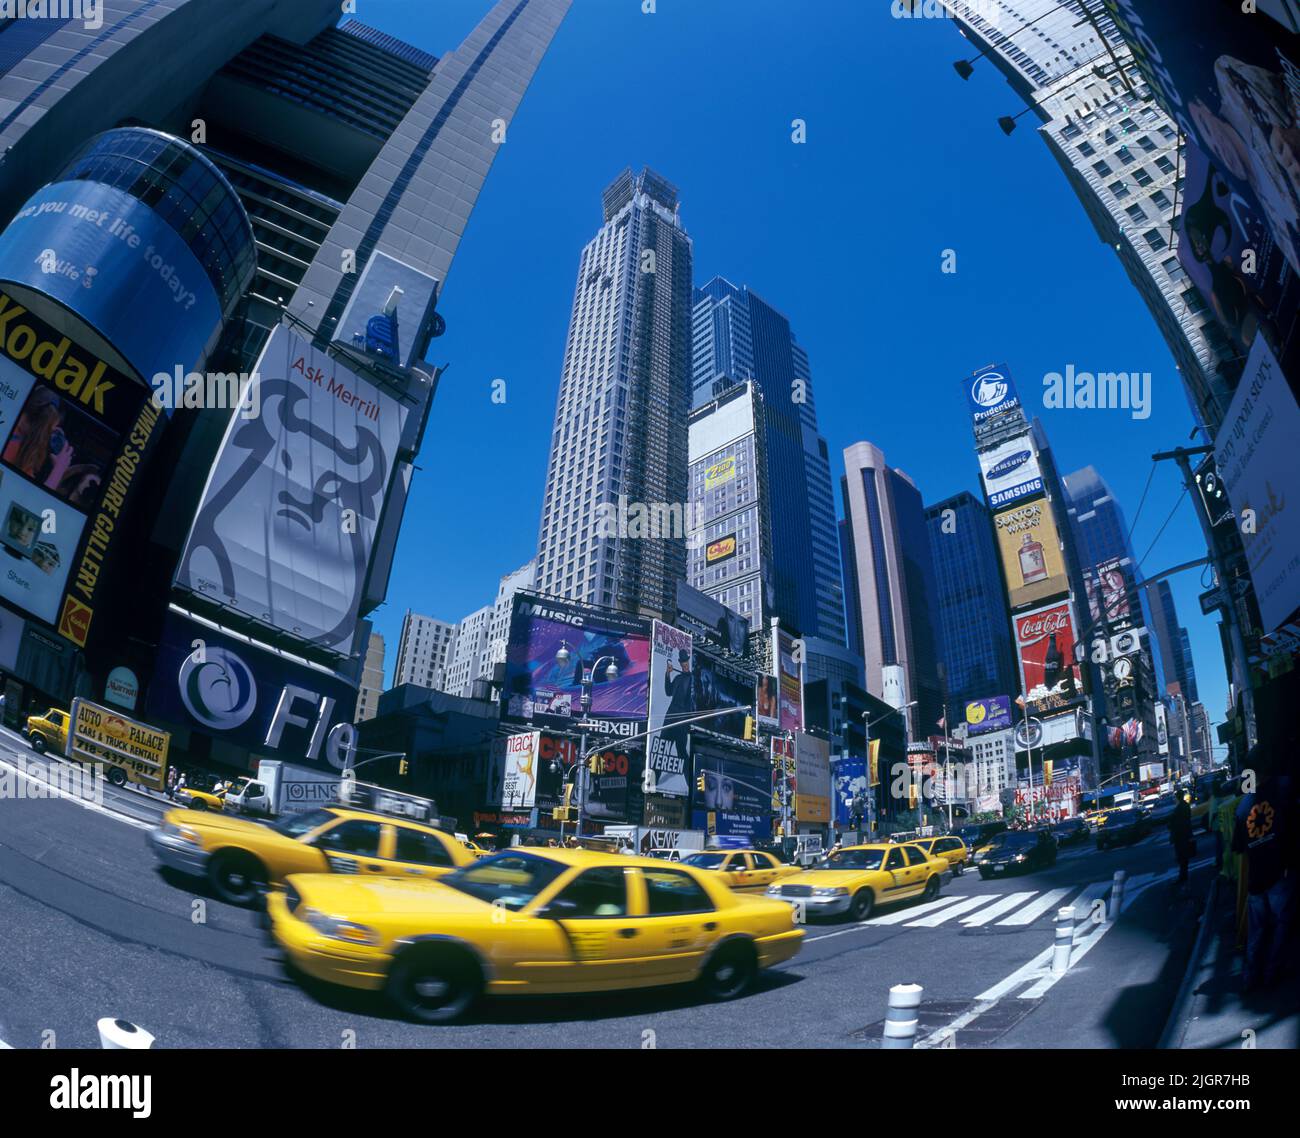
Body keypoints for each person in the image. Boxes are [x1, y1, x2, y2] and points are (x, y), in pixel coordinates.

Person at [1232, 745, 1296, 991]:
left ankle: (1250, 977)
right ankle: (1271, 972)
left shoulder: (1242, 806)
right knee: (1282, 924)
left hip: (1256, 880)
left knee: (1257, 932)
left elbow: (1238, 847)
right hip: (1281, 874)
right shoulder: (1284, 788)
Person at [1169, 794, 1194, 886]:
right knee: (1184, 856)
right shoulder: (1185, 806)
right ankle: (1184, 874)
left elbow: (1174, 822)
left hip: (1180, 836)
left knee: (1181, 856)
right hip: (1184, 834)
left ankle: (1183, 876)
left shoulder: (1178, 809)